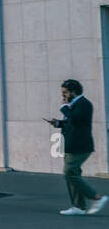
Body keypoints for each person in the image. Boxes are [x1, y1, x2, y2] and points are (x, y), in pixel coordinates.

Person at [46, 79, 108, 216]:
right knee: (73, 175)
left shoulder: (84, 104)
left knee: (69, 173)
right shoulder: (73, 104)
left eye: (65, 92)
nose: (63, 96)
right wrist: (58, 123)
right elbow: (72, 123)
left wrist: (64, 108)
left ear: (73, 92)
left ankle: (96, 197)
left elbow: (75, 119)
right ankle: (78, 207)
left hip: (80, 146)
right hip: (70, 145)